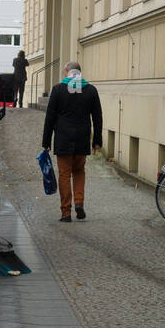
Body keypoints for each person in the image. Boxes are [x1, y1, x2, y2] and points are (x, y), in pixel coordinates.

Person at [41, 61, 103, 223]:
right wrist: (97, 140)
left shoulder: (58, 90)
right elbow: (97, 118)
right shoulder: (90, 90)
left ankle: (66, 212)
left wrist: (46, 141)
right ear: (79, 72)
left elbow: (50, 118)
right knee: (79, 171)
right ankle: (79, 203)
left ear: (68, 72)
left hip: (63, 139)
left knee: (64, 174)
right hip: (82, 139)